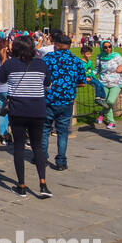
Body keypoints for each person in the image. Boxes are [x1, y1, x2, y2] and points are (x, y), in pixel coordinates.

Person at [0, 36, 52, 198]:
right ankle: (43, 184)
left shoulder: (10, 64)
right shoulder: (41, 64)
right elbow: (48, 85)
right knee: (37, 147)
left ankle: (21, 186)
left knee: (19, 147)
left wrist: (4, 57)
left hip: (18, 110)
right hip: (37, 109)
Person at [41, 31, 89, 170]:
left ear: (58, 45)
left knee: (45, 130)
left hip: (49, 99)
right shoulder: (76, 61)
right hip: (67, 100)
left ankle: (42, 157)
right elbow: (82, 82)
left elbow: (41, 78)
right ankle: (61, 161)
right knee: (62, 132)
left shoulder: (48, 58)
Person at [95, 42, 122, 129]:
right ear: (102, 48)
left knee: (110, 101)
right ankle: (112, 122)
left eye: (109, 47)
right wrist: (88, 74)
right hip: (103, 82)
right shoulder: (100, 57)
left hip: (115, 82)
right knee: (105, 102)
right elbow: (97, 69)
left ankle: (101, 114)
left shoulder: (117, 56)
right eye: (105, 47)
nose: (108, 49)